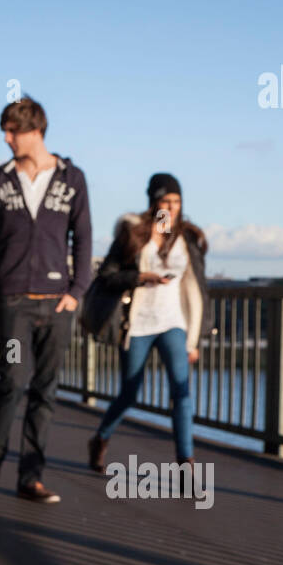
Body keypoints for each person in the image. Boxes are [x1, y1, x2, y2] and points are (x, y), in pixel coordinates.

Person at [0, 97, 92, 505]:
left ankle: (31, 477)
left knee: (45, 390)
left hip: (56, 307)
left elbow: (83, 236)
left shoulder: (72, 179)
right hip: (15, 302)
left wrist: (76, 291)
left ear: (34, 131)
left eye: (12, 131)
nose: (6, 138)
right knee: (13, 380)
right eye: (5, 130)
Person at [86, 174, 208, 469]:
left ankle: (185, 463)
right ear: (153, 201)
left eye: (177, 201)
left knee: (181, 391)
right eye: (165, 201)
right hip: (138, 322)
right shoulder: (134, 234)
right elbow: (107, 275)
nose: (172, 207)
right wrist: (141, 277)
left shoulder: (187, 237)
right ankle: (101, 438)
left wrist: (194, 339)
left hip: (173, 322)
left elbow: (195, 286)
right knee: (130, 392)